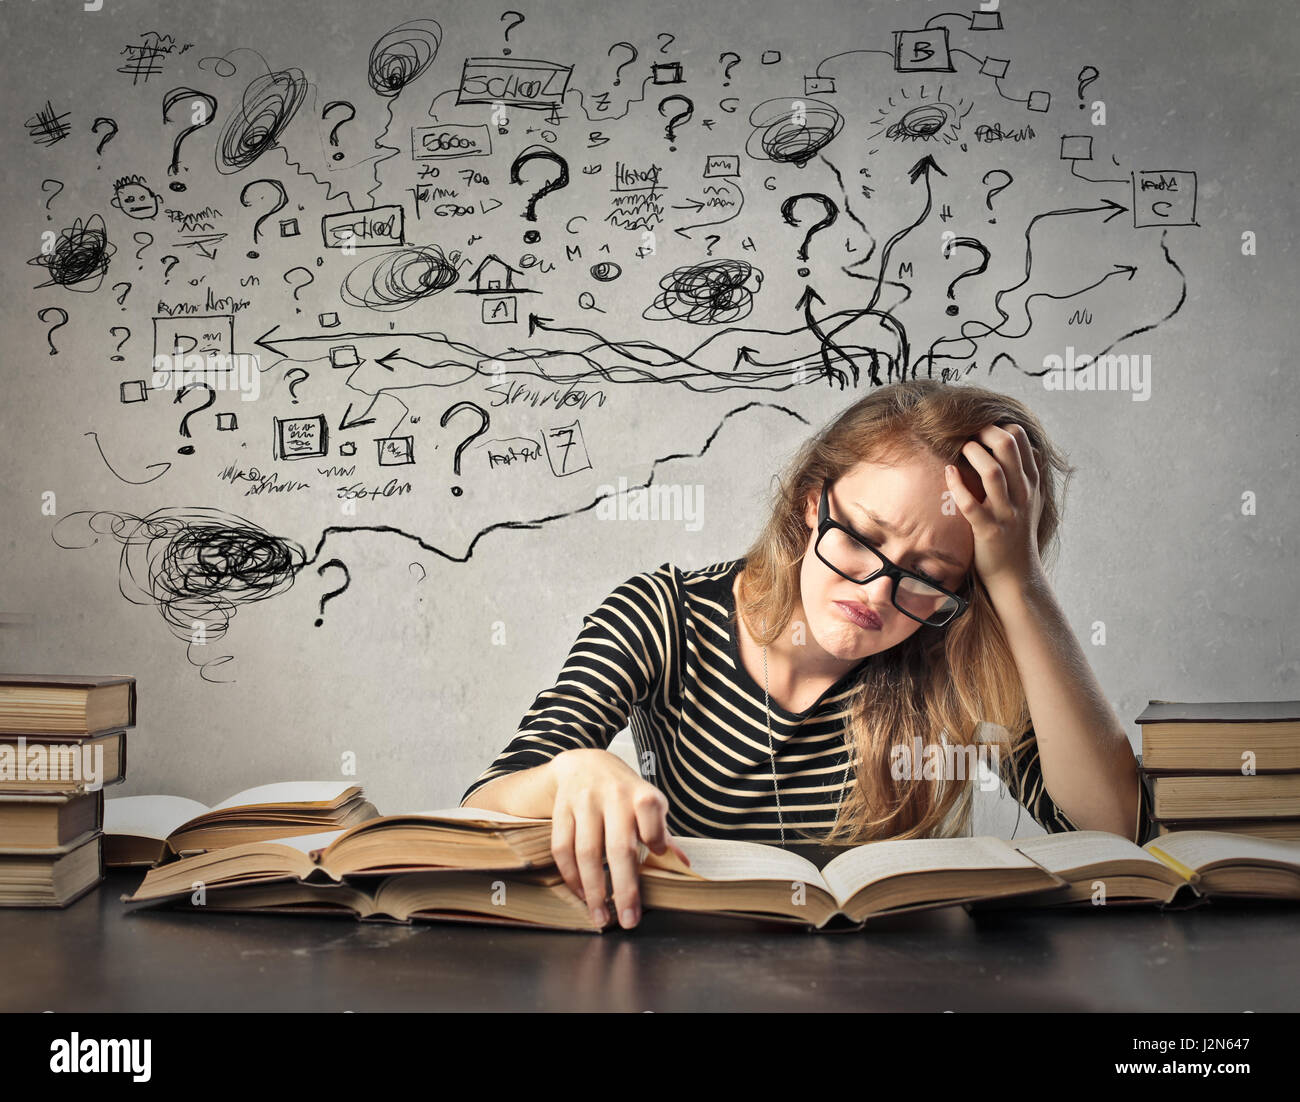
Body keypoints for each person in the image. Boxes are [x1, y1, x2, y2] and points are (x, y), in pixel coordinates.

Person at [460, 380, 1145, 929]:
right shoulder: (663, 615)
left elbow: (1110, 827)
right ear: (813, 502)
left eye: (930, 574)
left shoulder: (948, 653)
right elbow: (485, 808)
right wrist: (573, 772)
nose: (877, 593)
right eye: (863, 536)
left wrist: (1017, 581)